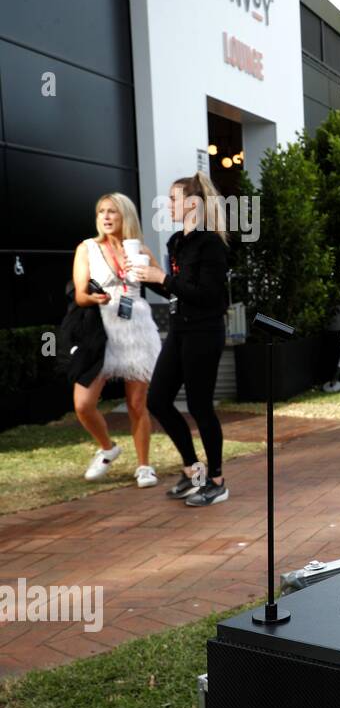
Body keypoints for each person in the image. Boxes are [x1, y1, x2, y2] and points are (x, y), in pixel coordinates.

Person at [134, 173, 231, 507]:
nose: (169, 205)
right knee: (158, 399)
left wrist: (164, 277)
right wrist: (149, 275)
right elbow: (176, 291)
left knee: (199, 406)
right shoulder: (177, 241)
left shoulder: (212, 245)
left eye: (173, 199)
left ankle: (217, 480)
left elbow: (208, 295)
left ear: (193, 204)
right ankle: (194, 471)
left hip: (205, 331)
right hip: (179, 331)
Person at [70, 193, 163, 486]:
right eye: (101, 212)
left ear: (126, 217)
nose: (106, 217)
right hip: (101, 331)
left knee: (137, 404)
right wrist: (92, 297)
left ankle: (145, 466)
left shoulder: (140, 249)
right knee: (83, 403)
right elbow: (79, 294)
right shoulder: (87, 248)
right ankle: (108, 448)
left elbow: (163, 282)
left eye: (113, 212)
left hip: (137, 329)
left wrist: (146, 268)